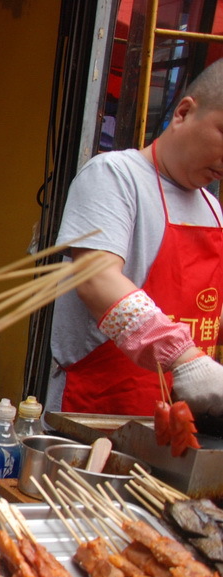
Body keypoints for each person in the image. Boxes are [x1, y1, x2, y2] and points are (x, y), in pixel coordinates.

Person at [48, 59, 223, 418]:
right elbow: (97, 279)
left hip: (179, 424)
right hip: (98, 413)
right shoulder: (114, 176)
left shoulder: (214, 210)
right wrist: (183, 357)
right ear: (184, 112)